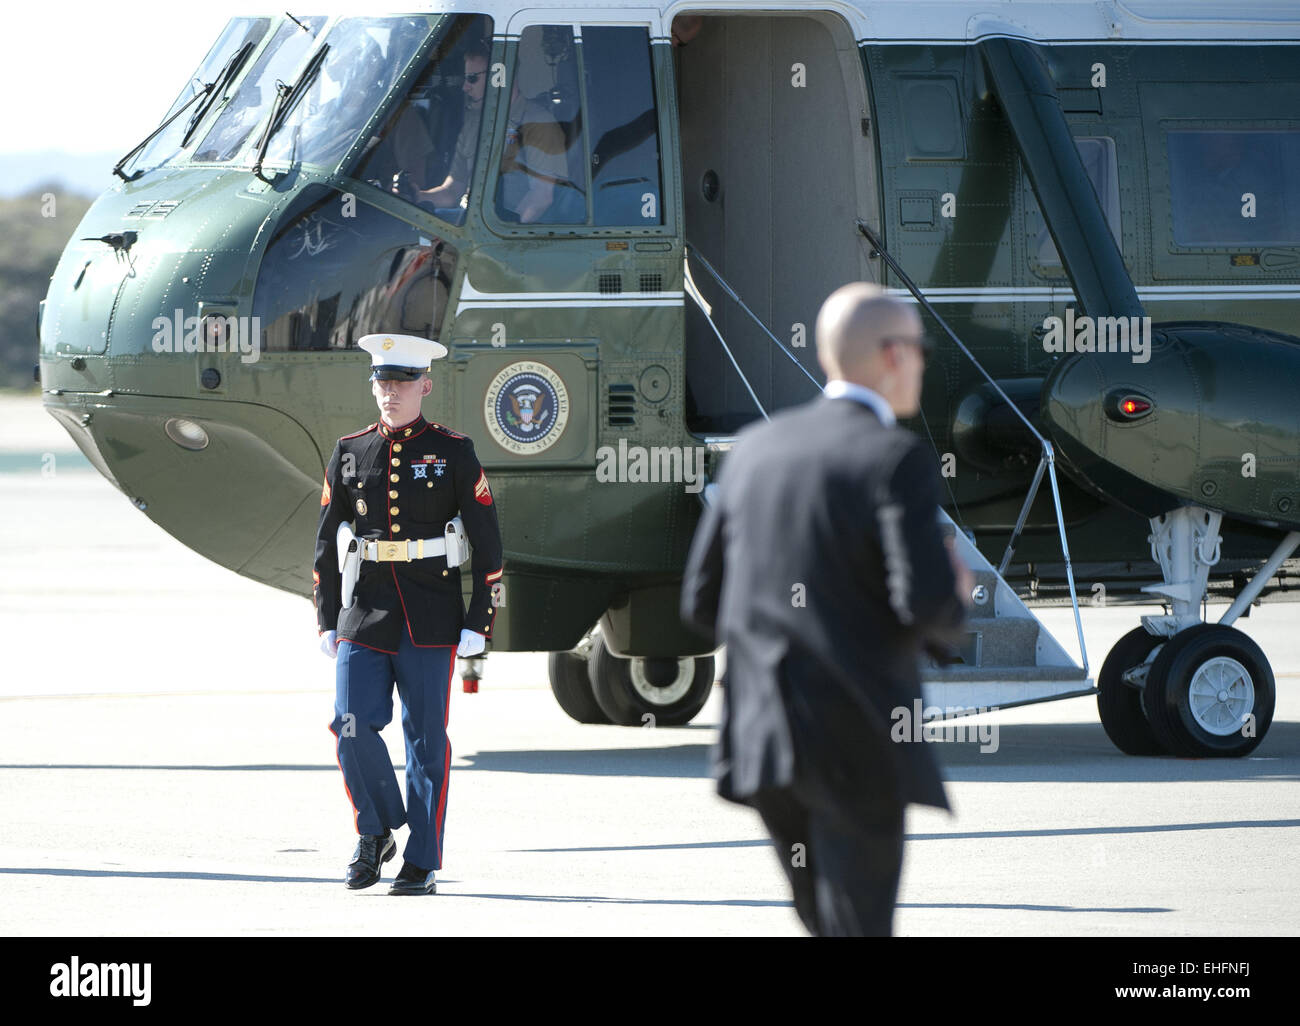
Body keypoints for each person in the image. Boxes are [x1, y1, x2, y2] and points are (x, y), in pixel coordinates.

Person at [680, 282, 973, 935]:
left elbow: (701, 602)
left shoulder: (753, 450)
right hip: (857, 737)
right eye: (921, 349)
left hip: (762, 741)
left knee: (825, 920)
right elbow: (924, 601)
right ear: (893, 355)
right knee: (858, 924)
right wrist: (957, 600)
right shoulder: (894, 458)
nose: (923, 363)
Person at [314, 333, 503, 895]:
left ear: (426, 384)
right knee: (348, 725)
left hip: (431, 614)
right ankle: (375, 833)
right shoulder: (350, 450)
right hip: (365, 611)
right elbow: (326, 542)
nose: (389, 393)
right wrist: (326, 618)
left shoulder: (453, 450)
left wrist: (478, 622)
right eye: (381, 382)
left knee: (425, 741)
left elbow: (489, 545)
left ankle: (420, 861)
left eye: (400, 383)